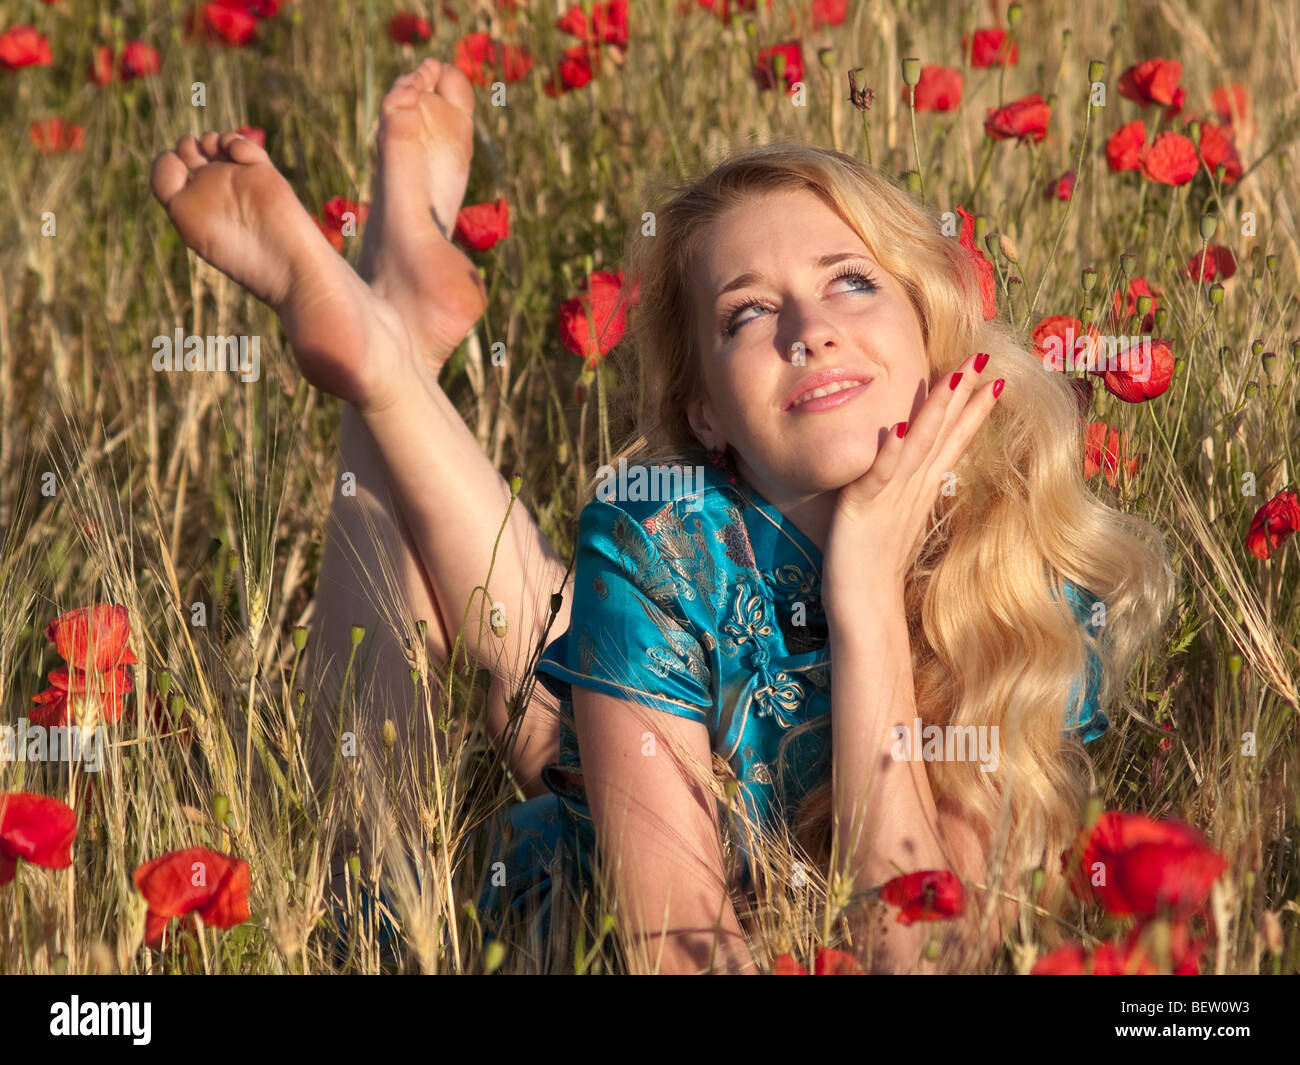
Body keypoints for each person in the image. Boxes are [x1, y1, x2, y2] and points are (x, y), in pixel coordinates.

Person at [148, 58, 1174, 974]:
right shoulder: (664, 534)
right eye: (746, 312)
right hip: (588, 883)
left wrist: (862, 596)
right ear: (704, 412)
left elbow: (921, 948)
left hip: (654, 750)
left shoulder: (1018, 557)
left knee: (553, 686)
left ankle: (385, 349)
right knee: (364, 868)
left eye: (850, 283)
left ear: (931, 332)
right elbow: (670, 949)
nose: (808, 330)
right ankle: (378, 362)